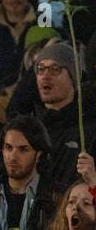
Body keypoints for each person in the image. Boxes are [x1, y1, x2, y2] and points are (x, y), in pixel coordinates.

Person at [28, 40, 96, 186]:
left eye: (55, 69)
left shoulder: (88, 132)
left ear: (73, 78)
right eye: (40, 69)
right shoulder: (28, 129)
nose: (45, 76)